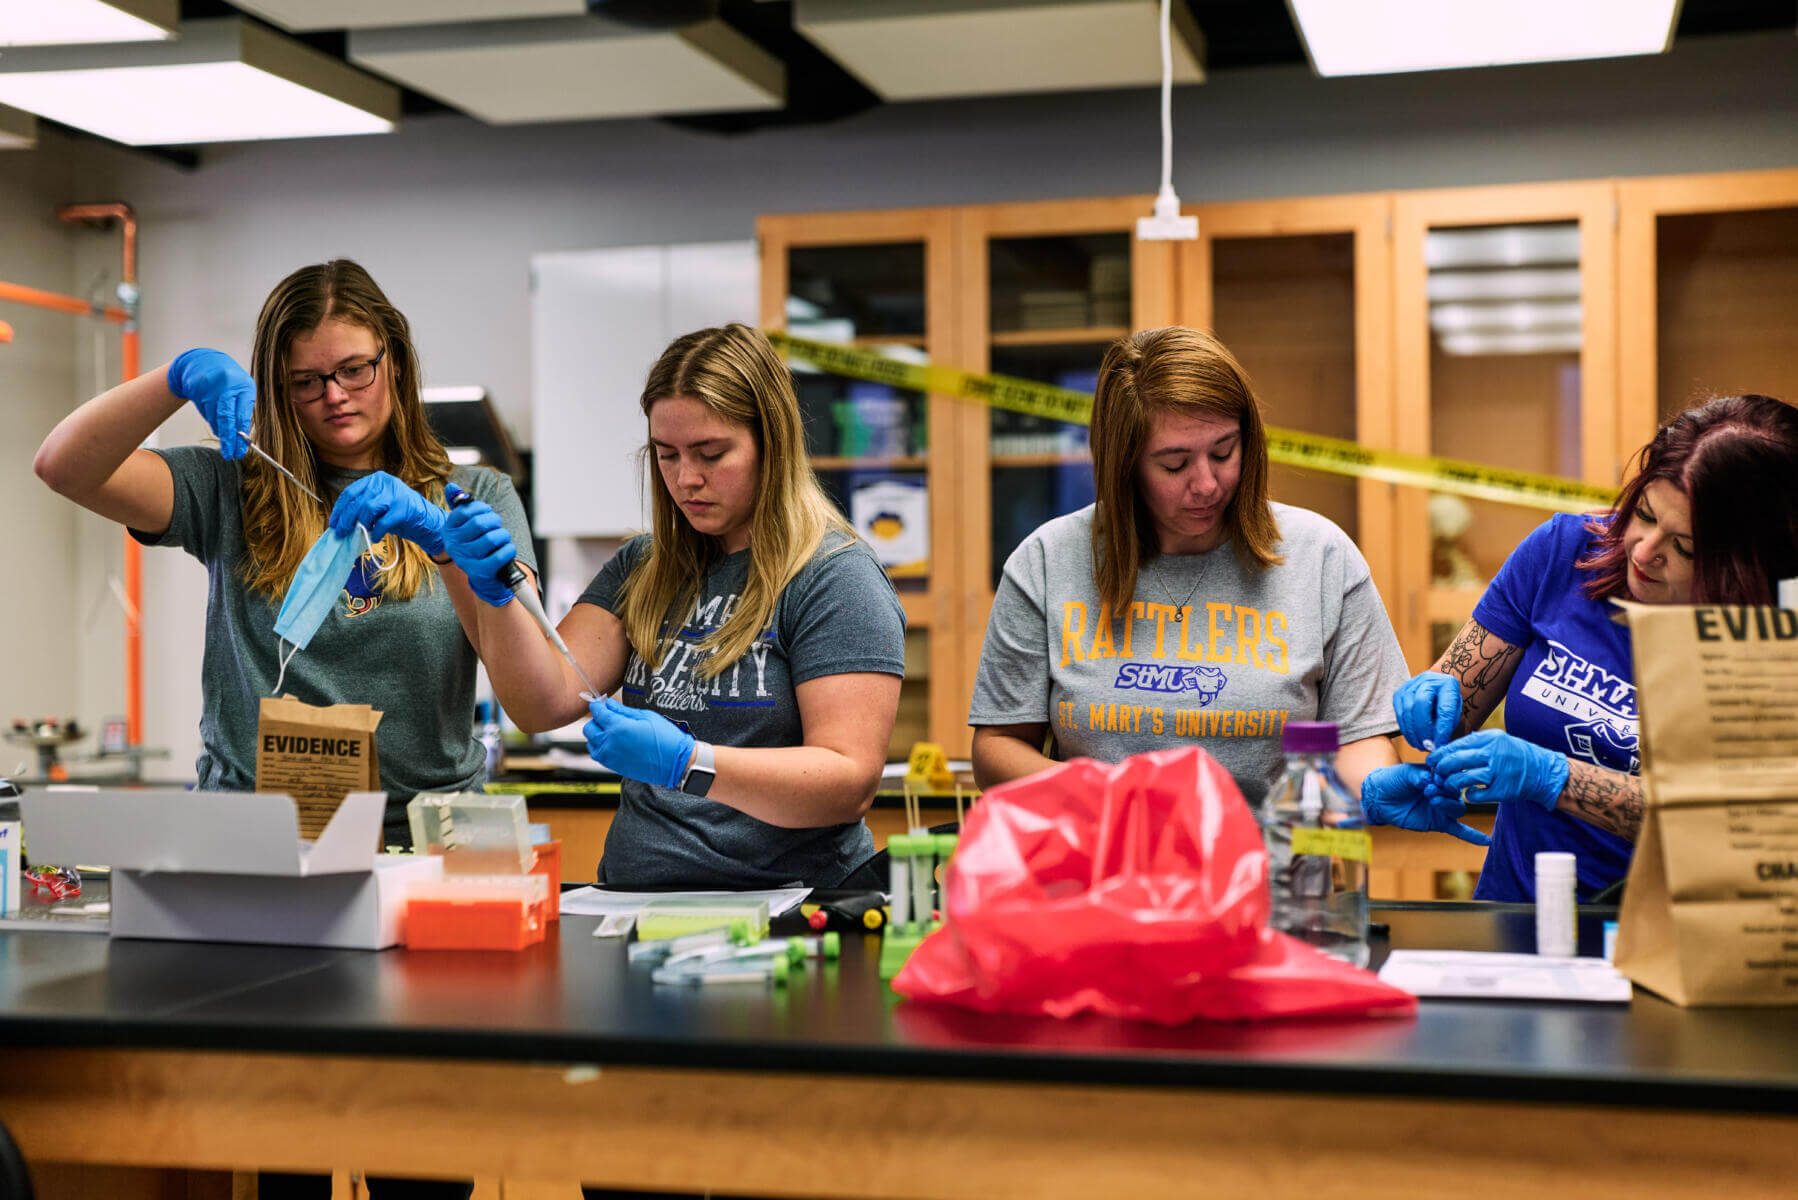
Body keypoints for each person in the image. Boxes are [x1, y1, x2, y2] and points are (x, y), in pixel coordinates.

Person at [32, 258, 537, 849]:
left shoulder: (476, 497)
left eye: (354, 370)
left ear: (393, 362)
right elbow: (61, 466)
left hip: (432, 837)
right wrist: (176, 376)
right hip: (258, 836)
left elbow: (531, 686)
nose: (335, 395)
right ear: (277, 386)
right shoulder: (232, 487)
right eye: (305, 381)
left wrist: (448, 547)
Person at [463, 323, 906, 889]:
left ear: (772, 443)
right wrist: (496, 593)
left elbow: (848, 782)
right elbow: (540, 704)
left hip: (782, 908)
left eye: (711, 453)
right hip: (634, 902)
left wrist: (688, 763)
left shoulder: (833, 575)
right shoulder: (644, 566)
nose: (685, 479)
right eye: (666, 455)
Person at [1360, 394, 1798, 902]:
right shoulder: (1566, 551)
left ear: (1755, 567)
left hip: (1679, 939)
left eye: (1685, 548)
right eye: (1644, 513)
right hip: (1518, 916)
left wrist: (1553, 777)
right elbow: (1455, 711)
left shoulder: (1773, 640)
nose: (1644, 550)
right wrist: (1436, 703)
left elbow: (1734, 826)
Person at [968, 325, 1410, 807]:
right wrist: (1112, 799)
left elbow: (1363, 739)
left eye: (1224, 452)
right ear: (1125, 465)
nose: (1207, 484)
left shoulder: (1321, 556)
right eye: (1175, 465)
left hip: (1272, 867)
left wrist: (1368, 789)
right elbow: (998, 748)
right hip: (1101, 863)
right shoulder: (1048, 562)